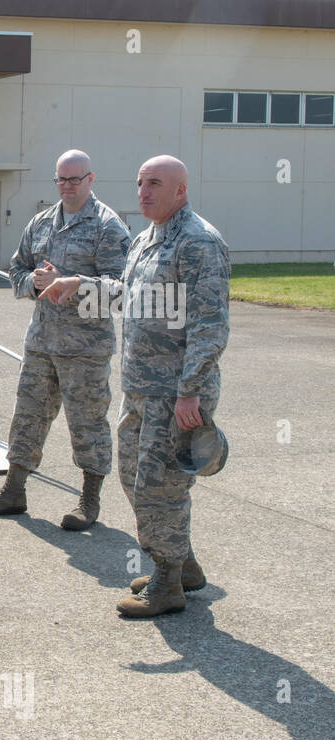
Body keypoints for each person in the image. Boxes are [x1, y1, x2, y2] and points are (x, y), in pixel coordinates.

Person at [44, 155, 230, 617]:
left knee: (158, 485)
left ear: (180, 190)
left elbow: (210, 325)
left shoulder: (199, 243)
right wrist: (77, 284)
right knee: (131, 475)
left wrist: (191, 390)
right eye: (141, 182)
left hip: (177, 394)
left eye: (155, 184)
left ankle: (167, 583)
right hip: (142, 388)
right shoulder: (146, 239)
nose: (143, 192)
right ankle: (181, 563)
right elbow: (125, 294)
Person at [0, 149, 131, 529]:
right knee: (27, 416)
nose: (67, 186)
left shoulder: (108, 227)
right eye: (61, 179)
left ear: (91, 180)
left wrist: (73, 285)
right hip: (42, 343)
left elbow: (122, 290)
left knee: (88, 424)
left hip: (85, 350)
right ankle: (14, 491)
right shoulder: (41, 222)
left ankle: (89, 501)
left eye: (74, 179)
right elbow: (16, 269)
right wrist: (34, 283)